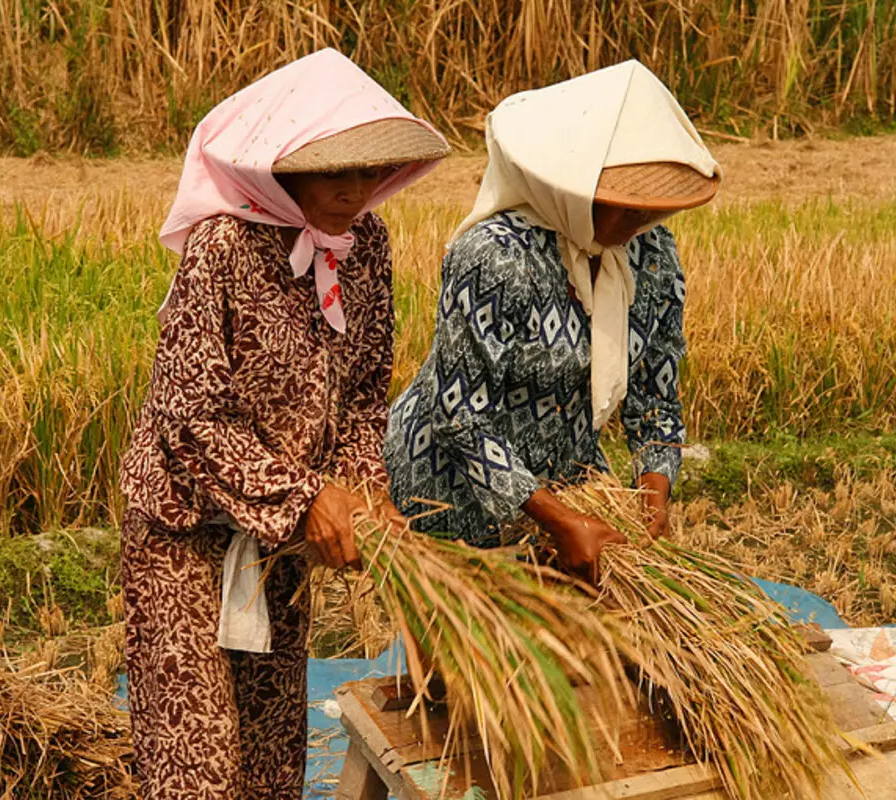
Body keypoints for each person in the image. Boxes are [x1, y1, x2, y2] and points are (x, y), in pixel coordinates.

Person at [118, 49, 448, 799]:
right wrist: (304, 498)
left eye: (368, 173)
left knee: (271, 761)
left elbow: (364, 394)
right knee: (195, 766)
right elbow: (191, 415)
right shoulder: (221, 247)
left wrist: (366, 493)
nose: (353, 190)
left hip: (281, 547)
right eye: (334, 171)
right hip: (184, 536)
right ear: (278, 167)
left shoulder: (367, 247)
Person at [383, 61, 719, 583]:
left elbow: (656, 398)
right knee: (473, 652)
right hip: (453, 487)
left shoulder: (650, 254)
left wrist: (653, 498)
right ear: (572, 189)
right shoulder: (495, 257)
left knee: (587, 646)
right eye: (624, 206)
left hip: (569, 475)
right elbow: (460, 418)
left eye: (650, 210)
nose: (639, 223)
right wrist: (555, 519)